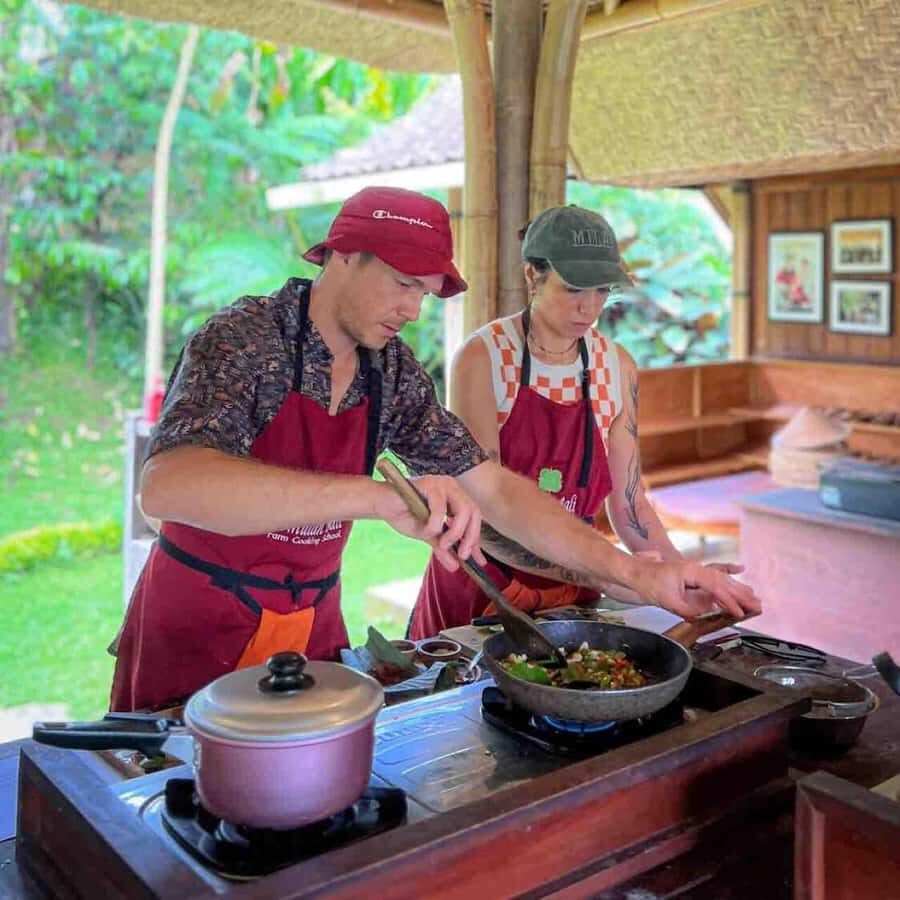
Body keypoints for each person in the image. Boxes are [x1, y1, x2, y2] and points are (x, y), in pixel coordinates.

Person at [112, 187, 759, 712]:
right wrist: (376, 498)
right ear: (341, 257)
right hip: (200, 619)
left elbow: (496, 488)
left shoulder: (389, 371)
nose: (413, 309)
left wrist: (643, 575)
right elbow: (168, 486)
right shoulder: (248, 339)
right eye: (401, 282)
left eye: (423, 290)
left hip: (309, 620)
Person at [410, 205, 745, 638]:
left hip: (578, 590)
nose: (589, 307)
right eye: (572, 289)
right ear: (532, 275)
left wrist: (683, 577)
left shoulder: (615, 367)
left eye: (602, 289)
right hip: (484, 585)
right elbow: (485, 507)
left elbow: (629, 505)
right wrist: (614, 575)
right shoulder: (485, 357)